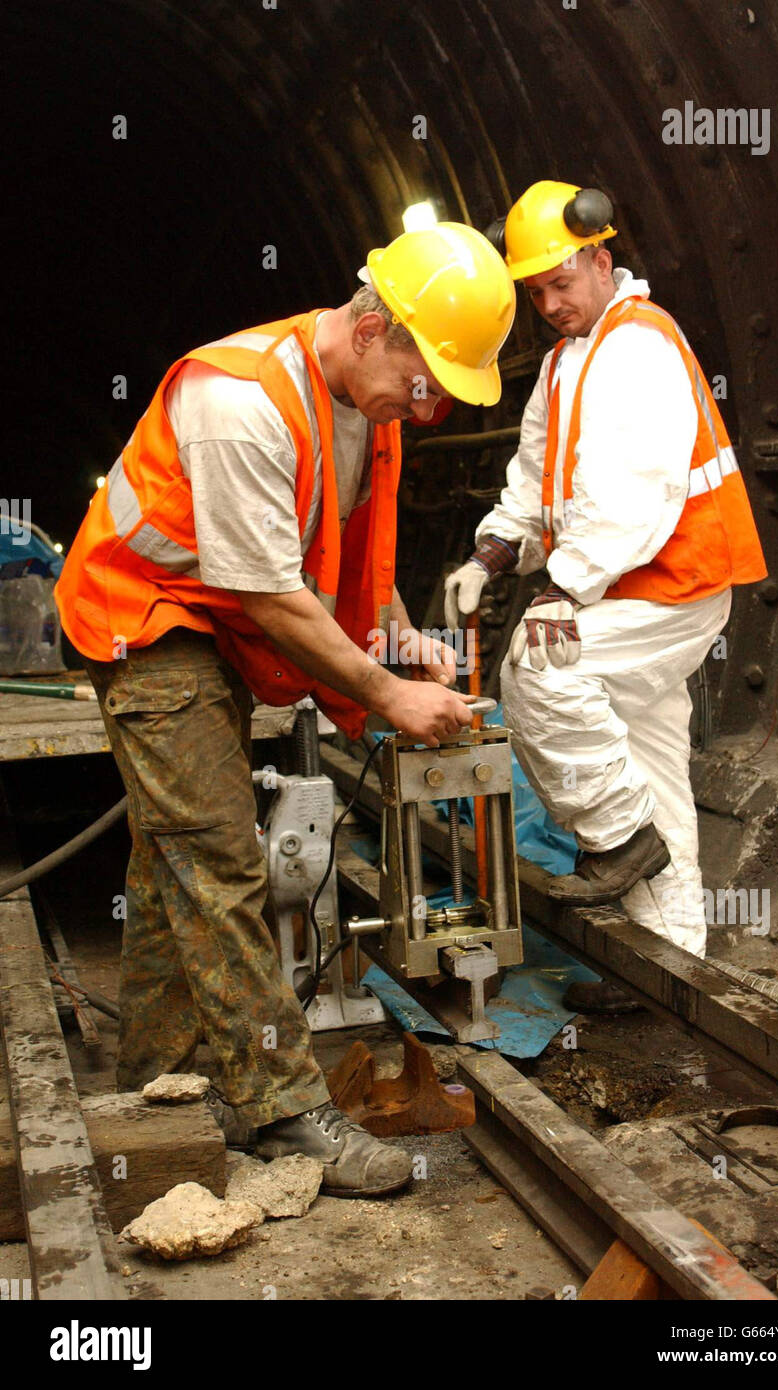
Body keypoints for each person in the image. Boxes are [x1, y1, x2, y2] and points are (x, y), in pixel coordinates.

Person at [55, 222, 516, 1193]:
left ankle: (158, 1085)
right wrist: (386, 694)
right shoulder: (241, 401)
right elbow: (269, 593)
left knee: (169, 862)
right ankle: (283, 1108)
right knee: (220, 860)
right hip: (144, 617)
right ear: (371, 325)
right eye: (424, 379)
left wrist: (397, 637)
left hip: (212, 624)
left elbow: (346, 556)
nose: (428, 408)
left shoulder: (367, 408)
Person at [445, 181, 766, 988]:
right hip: (628, 591)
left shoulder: (636, 345)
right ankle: (671, 969)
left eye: (563, 282)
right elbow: (532, 483)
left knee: (538, 667)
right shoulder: (564, 364)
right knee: (653, 764)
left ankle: (619, 839)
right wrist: (489, 556)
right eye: (537, 291)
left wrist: (560, 586)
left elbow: (627, 497)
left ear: (602, 258)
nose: (550, 302)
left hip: (673, 583)